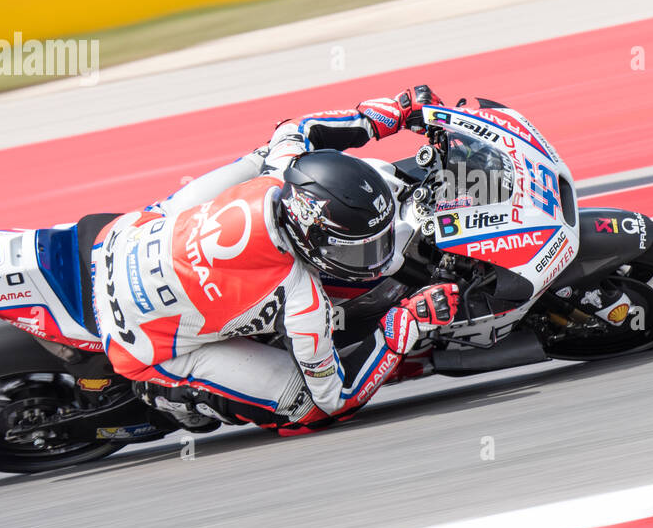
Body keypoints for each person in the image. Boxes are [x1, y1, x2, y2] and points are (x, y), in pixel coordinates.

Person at [90, 86, 459, 435]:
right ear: (314, 240)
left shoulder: (281, 175)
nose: (375, 257)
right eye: (358, 249)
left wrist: (389, 114)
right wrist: (405, 323)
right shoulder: (302, 300)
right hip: (137, 341)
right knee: (306, 408)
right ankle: (169, 394)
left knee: (258, 159)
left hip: (120, 240)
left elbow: (296, 128)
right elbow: (333, 398)